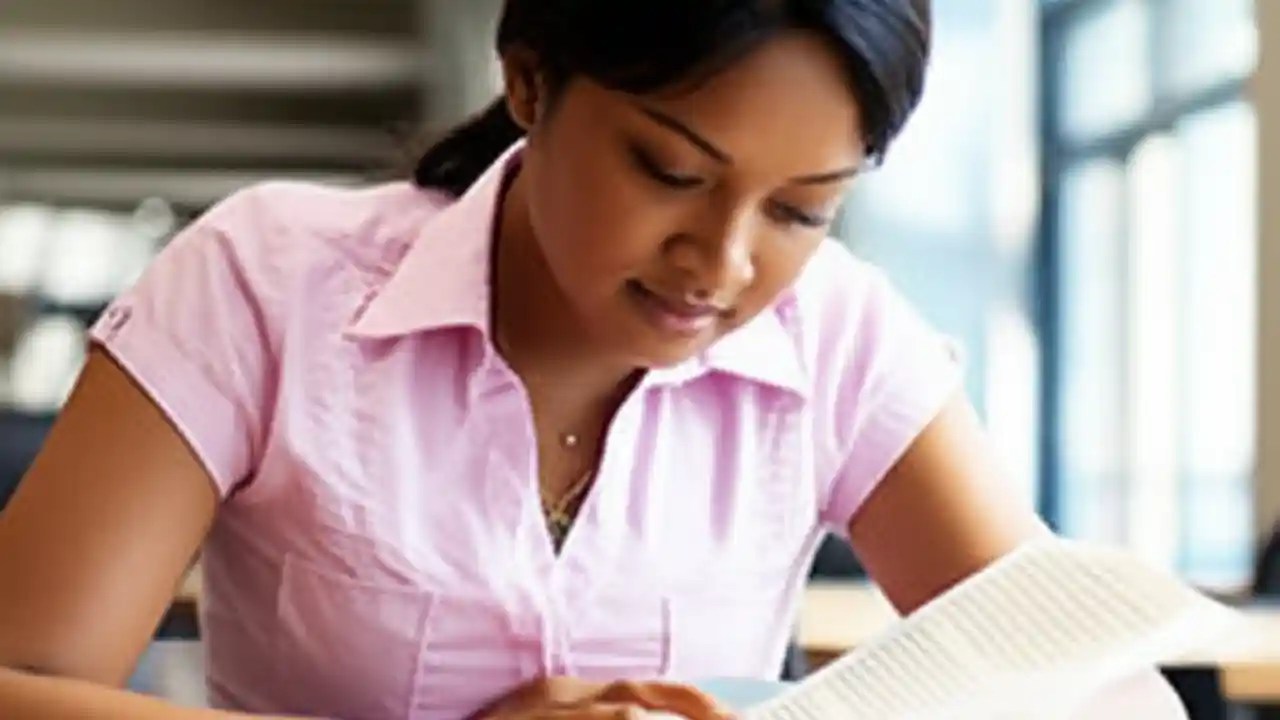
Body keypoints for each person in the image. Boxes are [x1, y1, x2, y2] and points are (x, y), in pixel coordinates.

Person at [0, 1, 1184, 718]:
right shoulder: (266, 281)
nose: (719, 264)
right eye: (670, 173)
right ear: (528, 79)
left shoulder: (839, 335)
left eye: (801, 211)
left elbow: (1085, 688)